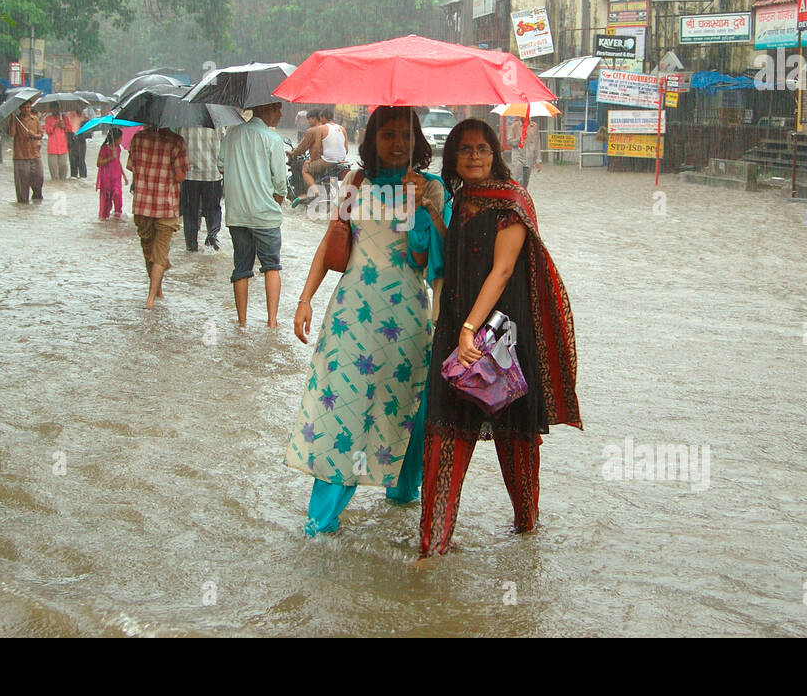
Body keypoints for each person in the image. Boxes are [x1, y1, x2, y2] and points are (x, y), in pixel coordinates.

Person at [419, 119, 581, 558]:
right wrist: (434, 213)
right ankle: (431, 547)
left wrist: (470, 329)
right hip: (456, 333)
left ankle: (527, 535)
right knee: (444, 437)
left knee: (516, 440)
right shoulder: (461, 198)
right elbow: (459, 253)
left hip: (503, 338)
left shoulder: (512, 202)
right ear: (452, 156)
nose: (474, 156)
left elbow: (502, 269)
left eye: (483, 149)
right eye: (465, 149)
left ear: (495, 155)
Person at [286, 106, 451, 536]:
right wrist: (305, 298)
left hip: (408, 322)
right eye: (388, 134)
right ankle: (320, 522)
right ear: (372, 139)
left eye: (406, 136)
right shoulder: (353, 182)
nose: (398, 144)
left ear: (417, 142)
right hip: (350, 321)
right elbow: (331, 242)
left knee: (407, 409)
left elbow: (435, 259)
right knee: (341, 410)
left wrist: (420, 207)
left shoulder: (432, 189)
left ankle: (401, 497)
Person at [219, 101, 288, 327]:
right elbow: (280, 182)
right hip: (265, 215)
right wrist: (276, 199)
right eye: (277, 109)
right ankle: (272, 322)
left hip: (237, 213)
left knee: (241, 267)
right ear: (265, 110)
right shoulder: (273, 139)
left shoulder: (231, 134)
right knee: (272, 266)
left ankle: (242, 322)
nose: (280, 114)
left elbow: (221, 166)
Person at [127, 124, 188, 308]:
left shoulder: (137, 139)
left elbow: (132, 167)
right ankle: (151, 298)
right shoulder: (176, 141)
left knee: (148, 249)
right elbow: (179, 177)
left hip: (142, 204)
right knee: (160, 252)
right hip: (166, 206)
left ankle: (156, 290)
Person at [180, 126, 225, 252]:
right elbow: (223, 144)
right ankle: (212, 235)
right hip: (212, 174)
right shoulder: (217, 123)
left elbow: (180, 144)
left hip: (190, 175)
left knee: (190, 213)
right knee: (213, 209)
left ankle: (191, 246)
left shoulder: (185, 123)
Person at [8, 99, 44, 204]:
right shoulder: (17, 120)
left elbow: (40, 135)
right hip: (21, 156)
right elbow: (11, 134)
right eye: (24, 108)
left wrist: (34, 136)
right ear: (20, 109)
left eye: (28, 107)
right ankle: (23, 205)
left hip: (35, 155)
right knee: (22, 187)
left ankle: (37, 202)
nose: (26, 110)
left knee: (39, 177)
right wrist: (12, 120)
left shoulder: (35, 119)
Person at [95, 127, 124, 220]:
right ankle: (104, 218)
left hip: (116, 177)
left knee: (117, 195)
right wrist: (111, 157)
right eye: (120, 138)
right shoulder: (104, 149)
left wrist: (124, 175)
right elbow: (98, 163)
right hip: (106, 178)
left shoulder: (118, 148)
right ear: (115, 139)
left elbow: (118, 162)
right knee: (106, 199)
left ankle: (117, 216)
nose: (121, 140)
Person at [510, 117, 542, 188]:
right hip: (518, 158)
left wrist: (538, 161)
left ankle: (523, 197)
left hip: (529, 158)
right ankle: (517, 197)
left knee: (525, 182)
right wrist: (519, 139)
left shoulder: (534, 126)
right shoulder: (514, 126)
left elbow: (537, 143)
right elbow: (509, 142)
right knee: (518, 181)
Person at [44, 106, 71, 181]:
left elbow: (70, 129)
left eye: (57, 108)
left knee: (63, 168)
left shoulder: (64, 118)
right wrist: (55, 125)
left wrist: (64, 126)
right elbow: (47, 131)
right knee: (53, 171)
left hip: (63, 147)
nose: (55, 110)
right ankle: (55, 186)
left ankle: (62, 186)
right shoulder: (48, 119)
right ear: (51, 109)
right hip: (52, 148)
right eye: (53, 108)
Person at [67, 107, 88, 178]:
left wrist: (84, 119)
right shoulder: (70, 114)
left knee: (81, 161)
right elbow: (68, 127)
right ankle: (73, 177)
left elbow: (88, 130)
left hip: (81, 139)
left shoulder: (84, 116)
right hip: (71, 139)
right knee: (73, 161)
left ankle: (83, 178)